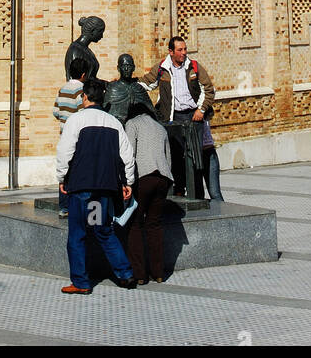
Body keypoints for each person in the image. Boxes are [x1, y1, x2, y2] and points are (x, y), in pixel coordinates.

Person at [56, 77, 136, 294]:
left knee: (77, 234)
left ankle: (81, 282)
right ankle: (125, 273)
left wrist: (62, 177)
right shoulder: (113, 123)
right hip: (102, 190)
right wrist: (127, 182)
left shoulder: (76, 120)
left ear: (84, 97)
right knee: (102, 230)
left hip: (81, 187)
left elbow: (65, 152)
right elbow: (127, 156)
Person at [139, 36, 216, 198]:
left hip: (193, 117)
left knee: (195, 157)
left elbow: (208, 89)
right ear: (171, 52)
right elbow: (147, 83)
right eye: (180, 50)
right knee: (175, 156)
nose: (183, 53)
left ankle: (197, 194)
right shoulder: (162, 68)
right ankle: (179, 190)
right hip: (174, 118)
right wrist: (127, 83)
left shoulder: (194, 67)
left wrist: (201, 110)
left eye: (185, 49)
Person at [123, 101, 173, 284]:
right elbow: (168, 157)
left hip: (143, 177)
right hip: (162, 178)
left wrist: (126, 181)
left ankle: (139, 274)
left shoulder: (132, 124)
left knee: (135, 224)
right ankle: (158, 273)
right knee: (155, 224)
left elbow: (129, 153)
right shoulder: (160, 128)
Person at [53, 56, 88, 217]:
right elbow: (83, 112)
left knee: (65, 171)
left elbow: (55, 111)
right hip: (78, 137)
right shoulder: (80, 90)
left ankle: (64, 207)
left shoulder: (63, 88)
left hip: (63, 134)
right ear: (83, 74)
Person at [104, 53, 159, 124]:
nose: (126, 69)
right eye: (123, 66)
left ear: (133, 68)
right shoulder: (113, 88)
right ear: (118, 68)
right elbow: (106, 112)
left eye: (129, 66)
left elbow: (151, 111)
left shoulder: (138, 88)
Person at [64, 16, 105, 82]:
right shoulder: (75, 50)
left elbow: (91, 78)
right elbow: (72, 79)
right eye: (100, 32)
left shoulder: (87, 50)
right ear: (93, 31)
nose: (102, 36)